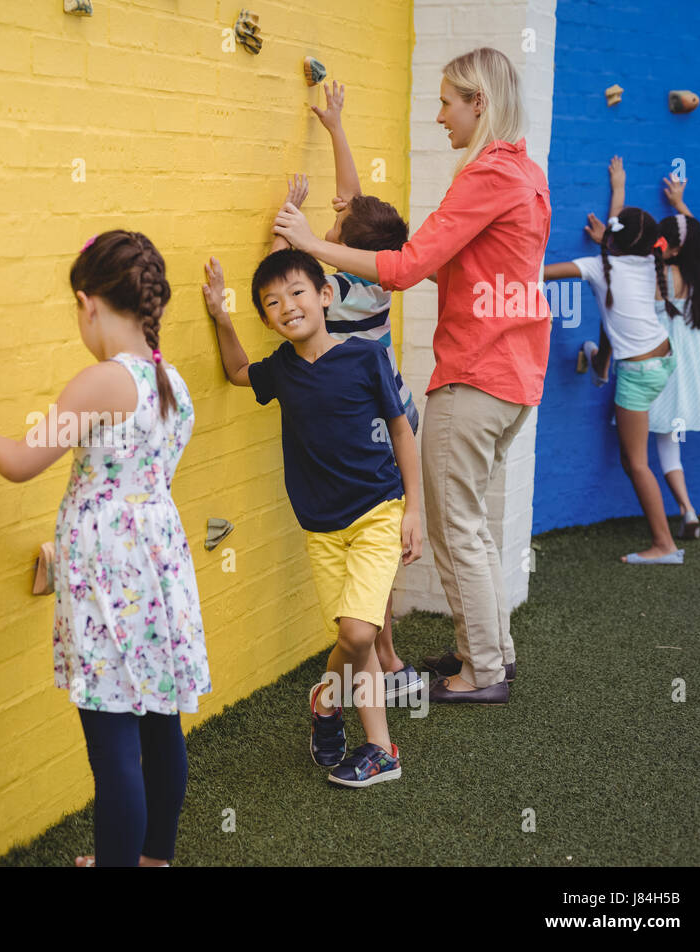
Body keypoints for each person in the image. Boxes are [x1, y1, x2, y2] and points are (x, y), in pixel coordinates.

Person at [272, 47, 551, 704]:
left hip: (475, 375)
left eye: (448, 102)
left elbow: (405, 267)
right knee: (471, 523)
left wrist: (310, 242)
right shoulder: (526, 174)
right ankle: (489, 653)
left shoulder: (487, 175)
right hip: (513, 374)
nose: (438, 116)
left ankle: (480, 671)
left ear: (478, 103)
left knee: (457, 527)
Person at [0, 230, 210, 866]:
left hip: (109, 581)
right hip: (159, 571)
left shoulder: (99, 383)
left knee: (112, 742)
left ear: (89, 302)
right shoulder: (167, 378)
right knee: (159, 721)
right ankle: (153, 860)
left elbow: (19, 462)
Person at [205, 247, 422, 787]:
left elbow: (401, 431)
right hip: (321, 529)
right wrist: (220, 316)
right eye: (272, 303)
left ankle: (327, 705)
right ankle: (379, 749)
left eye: (298, 292)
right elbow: (236, 370)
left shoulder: (366, 356)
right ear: (266, 318)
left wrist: (414, 509)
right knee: (359, 640)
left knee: (355, 632)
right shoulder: (279, 370)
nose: (287, 306)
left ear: (325, 296)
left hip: (377, 512)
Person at [268, 77, 422, 706]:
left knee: (370, 536)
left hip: (374, 421)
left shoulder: (344, 294)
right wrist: (334, 128)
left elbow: (289, 276)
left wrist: (288, 230)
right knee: (374, 535)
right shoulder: (372, 276)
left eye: (335, 228)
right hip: (391, 405)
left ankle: (383, 655)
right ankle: (386, 653)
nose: (332, 218)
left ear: (346, 253)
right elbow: (354, 202)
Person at [545, 162, 682, 563]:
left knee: (634, 461)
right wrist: (618, 188)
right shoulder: (645, 262)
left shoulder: (595, 266)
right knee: (609, 321)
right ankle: (599, 363)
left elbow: (536, 274)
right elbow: (622, 233)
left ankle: (665, 545)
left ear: (613, 240)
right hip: (662, 358)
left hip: (639, 375)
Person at [648, 175, 700, 539]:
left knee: (665, 437)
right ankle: (688, 511)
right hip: (696, 354)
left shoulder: (658, 273)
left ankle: (687, 508)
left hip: (665, 360)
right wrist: (681, 204)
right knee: (670, 435)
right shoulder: (696, 270)